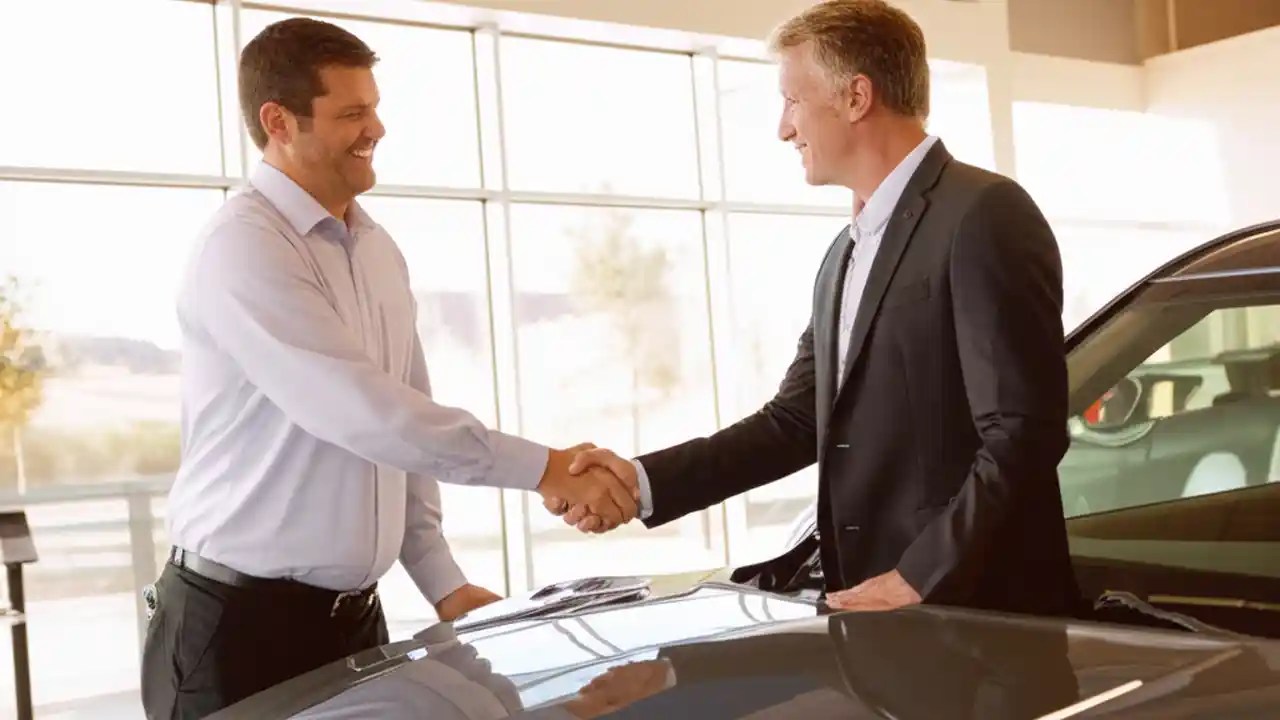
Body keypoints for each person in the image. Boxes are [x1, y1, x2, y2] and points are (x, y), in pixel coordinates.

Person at [140, 18, 636, 720]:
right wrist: (548, 467)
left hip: (352, 626)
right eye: (351, 113)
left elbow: (404, 428)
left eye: (373, 108)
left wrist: (443, 583)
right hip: (235, 633)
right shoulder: (244, 247)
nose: (376, 129)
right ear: (278, 121)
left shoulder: (374, 248)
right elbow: (366, 415)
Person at [552, 0, 1080, 618]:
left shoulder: (984, 213)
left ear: (857, 97)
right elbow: (797, 421)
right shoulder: (844, 253)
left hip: (982, 622)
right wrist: (641, 482)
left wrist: (917, 576)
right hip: (877, 615)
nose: (784, 128)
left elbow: (1023, 431)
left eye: (792, 101)